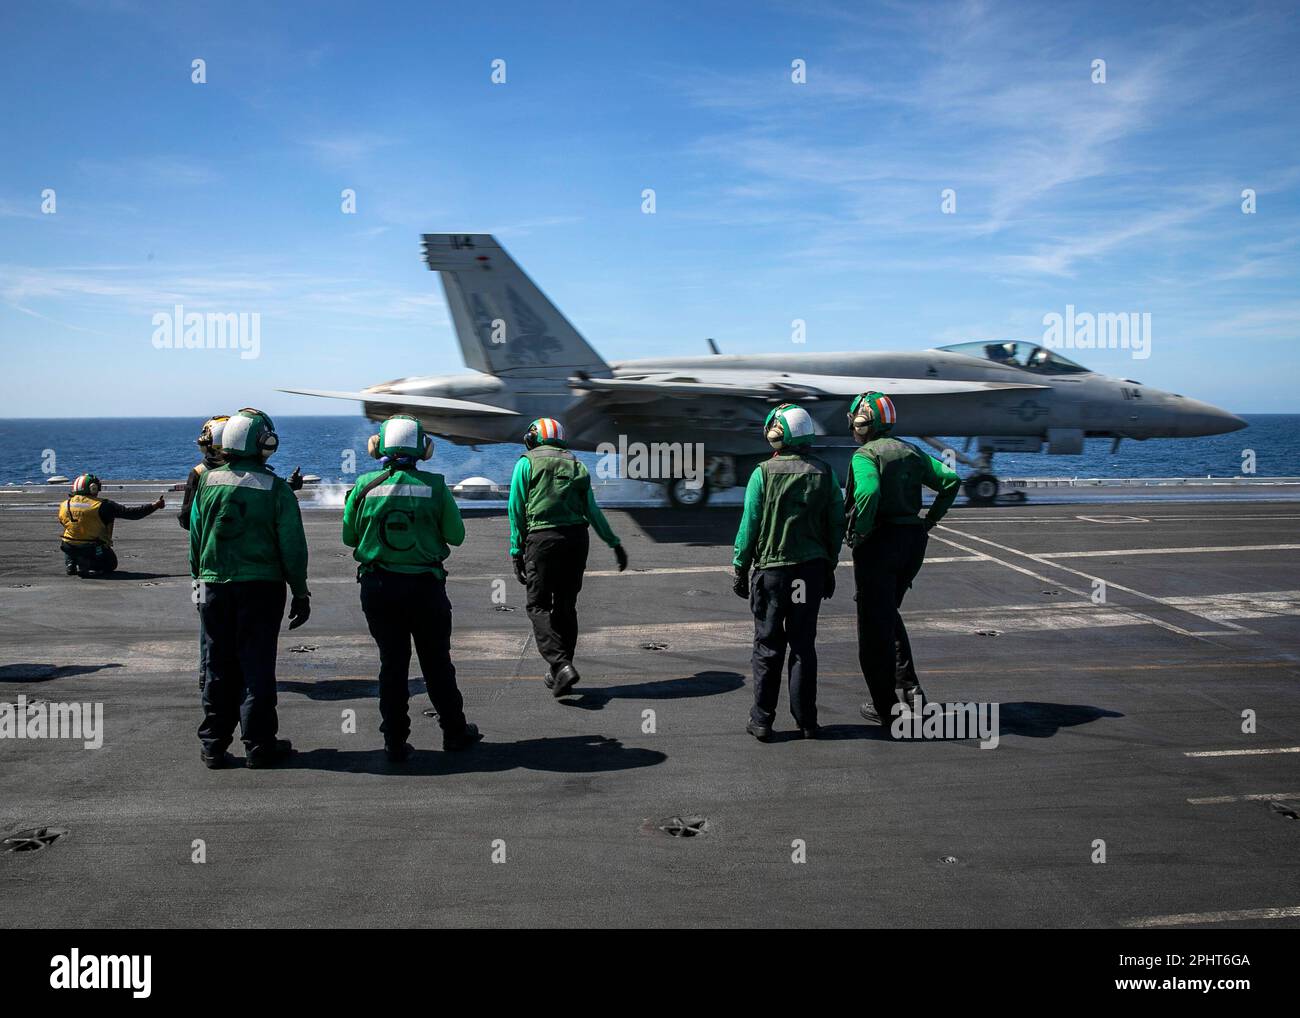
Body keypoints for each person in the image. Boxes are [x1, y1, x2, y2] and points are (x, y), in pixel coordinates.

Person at [342, 415, 480, 761]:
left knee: (392, 664)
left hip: (378, 588)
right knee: (436, 664)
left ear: (379, 448)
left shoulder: (364, 486)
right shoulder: (435, 486)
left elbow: (349, 537)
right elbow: (456, 536)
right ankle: (454, 732)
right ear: (424, 450)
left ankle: (394, 740)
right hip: (424, 589)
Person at [189, 409, 310, 769]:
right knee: (256, 667)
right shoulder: (277, 489)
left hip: (213, 586)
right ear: (265, 444)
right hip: (260, 589)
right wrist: (300, 592)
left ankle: (213, 744)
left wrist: (199, 579)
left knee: (218, 666)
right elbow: (292, 547)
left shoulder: (206, 483)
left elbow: (196, 538)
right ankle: (258, 744)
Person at [843, 391, 960, 731]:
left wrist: (860, 532)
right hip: (911, 544)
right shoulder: (912, 451)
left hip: (880, 544)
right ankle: (913, 695)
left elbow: (867, 493)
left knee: (872, 631)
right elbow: (951, 481)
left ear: (863, 422)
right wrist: (928, 522)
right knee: (888, 616)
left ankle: (886, 710)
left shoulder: (865, 456)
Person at [732, 403, 844, 741]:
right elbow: (835, 526)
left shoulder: (762, 473)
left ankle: (763, 720)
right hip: (808, 575)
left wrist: (740, 566)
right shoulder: (825, 473)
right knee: (803, 646)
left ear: (775, 433)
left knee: (768, 646)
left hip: (773, 574)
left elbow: (749, 525)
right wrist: (829, 566)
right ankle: (807, 721)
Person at [507, 417, 627, 698]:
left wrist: (516, 550)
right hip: (576, 540)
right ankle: (560, 671)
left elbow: (516, 508)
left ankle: (560, 665)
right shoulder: (577, 464)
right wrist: (614, 543)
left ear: (534, 438)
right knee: (566, 606)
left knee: (537, 606)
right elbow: (592, 511)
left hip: (543, 541)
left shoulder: (526, 463)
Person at [179, 416, 228, 694]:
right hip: (241, 568)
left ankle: (207, 677)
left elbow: (186, 519)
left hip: (203, 565)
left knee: (208, 625)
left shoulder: (198, 473)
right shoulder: (246, 473)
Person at [58, 474, 164, 577]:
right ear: (93, 488)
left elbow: (63, 522)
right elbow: (133, 514)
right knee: (111, 563)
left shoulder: (64, 504)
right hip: (92, 547)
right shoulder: (103, 505)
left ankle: (70, 562)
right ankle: (91, 567)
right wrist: (155, 506)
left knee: (72, 538)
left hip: (68, 546)